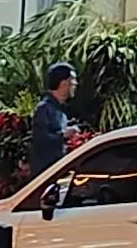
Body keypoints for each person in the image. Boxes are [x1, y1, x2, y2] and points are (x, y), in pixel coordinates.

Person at [8, 62, 83, 190]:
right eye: (73, 80)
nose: (75, 85)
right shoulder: (44, 108)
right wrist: (64, 135)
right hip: (45, 174)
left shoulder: (60, 109)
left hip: (56, 171)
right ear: (63, 83)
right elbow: (40, 138)